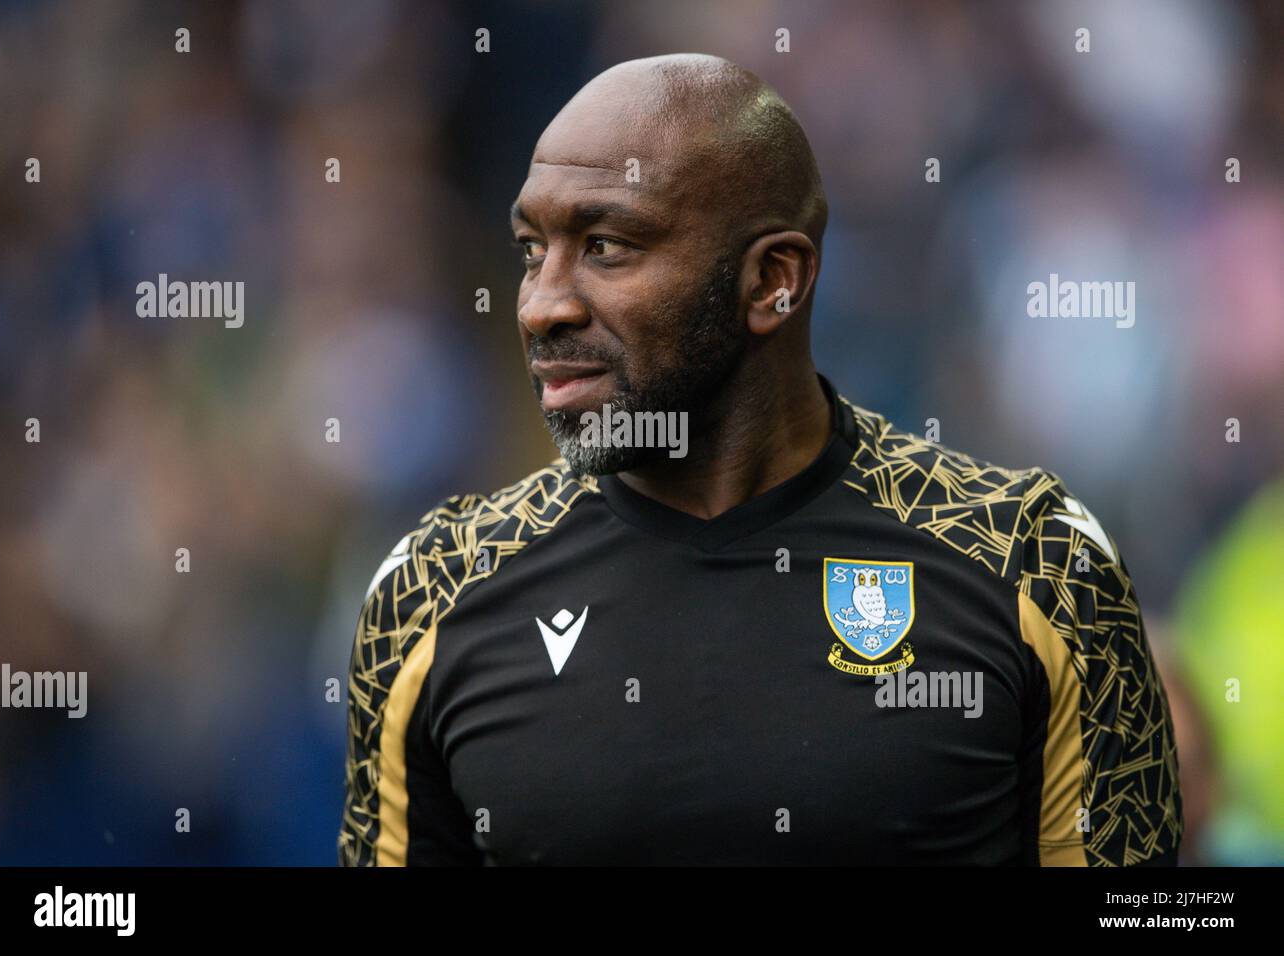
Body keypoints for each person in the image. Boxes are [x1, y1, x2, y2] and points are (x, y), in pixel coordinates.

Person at [337, 54, 1182, 866]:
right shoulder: (432, 594)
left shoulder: (1034, 563)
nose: (543, 305)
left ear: (774, 281)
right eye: (532, 250)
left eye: (605, 246)